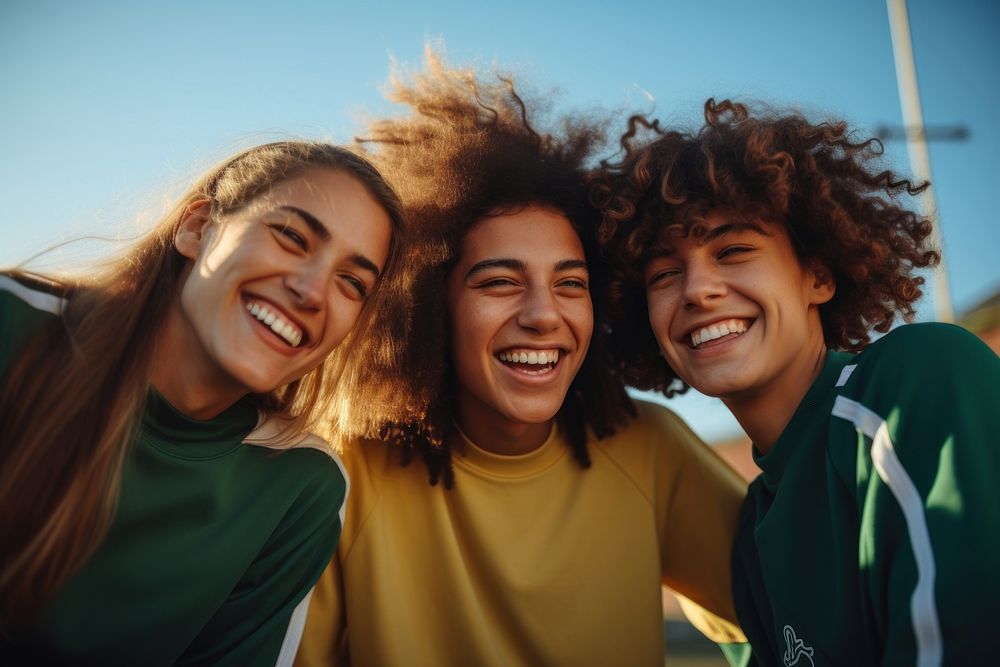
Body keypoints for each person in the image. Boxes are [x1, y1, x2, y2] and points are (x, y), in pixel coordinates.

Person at [295, 51, 748, 667]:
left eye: (570, 283)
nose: (543, 315)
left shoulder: (649, 447)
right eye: (500, 282)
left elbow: (791, 612)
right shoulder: (346, 472)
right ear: (427, 307)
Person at [595, 98, 1000, 664]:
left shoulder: (919, 378)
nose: (697, 290)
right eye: (664, 273)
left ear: (820, 276)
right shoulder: (751, 538)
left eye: (734, 250)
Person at [0, 141, 406, 666]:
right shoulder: (13, 325)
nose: (312, 291)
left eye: (351, 281)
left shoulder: (300, 485)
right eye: (291, 236)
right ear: (197, 229)